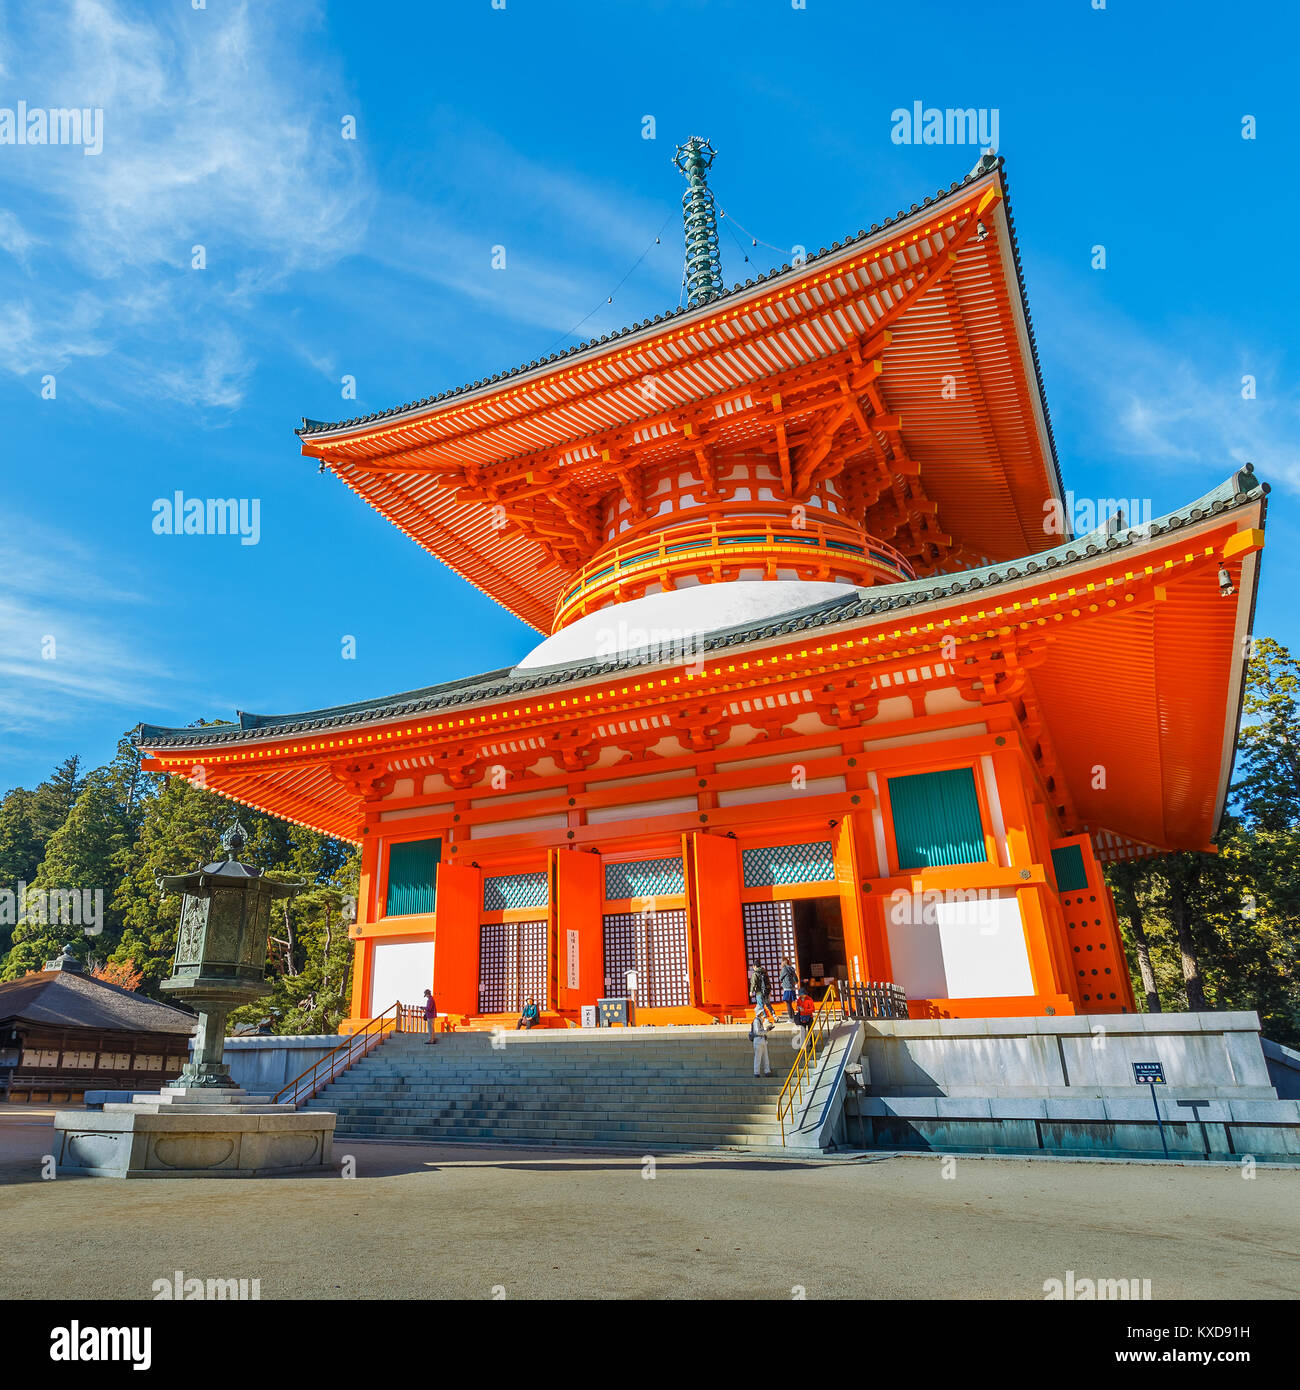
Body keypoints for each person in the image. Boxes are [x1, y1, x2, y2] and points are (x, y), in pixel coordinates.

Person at [748, 1005, 772, 1078]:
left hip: (762, 1039)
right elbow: (757, 1031)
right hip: (758, 1039)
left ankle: (767, 1071)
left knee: (766, 1056)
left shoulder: (759, 1020)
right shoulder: (756, 1020)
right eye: (762, 1011)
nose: (763, 1013)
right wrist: (766, 1031)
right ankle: (756, 1072)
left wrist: (766, 1030)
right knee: (758, 1057)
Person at [778, 955, 800, 1019]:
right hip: (792, 988)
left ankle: (791, 1018)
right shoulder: (792, 969)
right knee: (790, 1004)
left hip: (787, 988)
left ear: (783, 962)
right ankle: (793, 1017)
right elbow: (796, 979)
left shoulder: (784, 969)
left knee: (788, 1004)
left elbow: (780, 978)